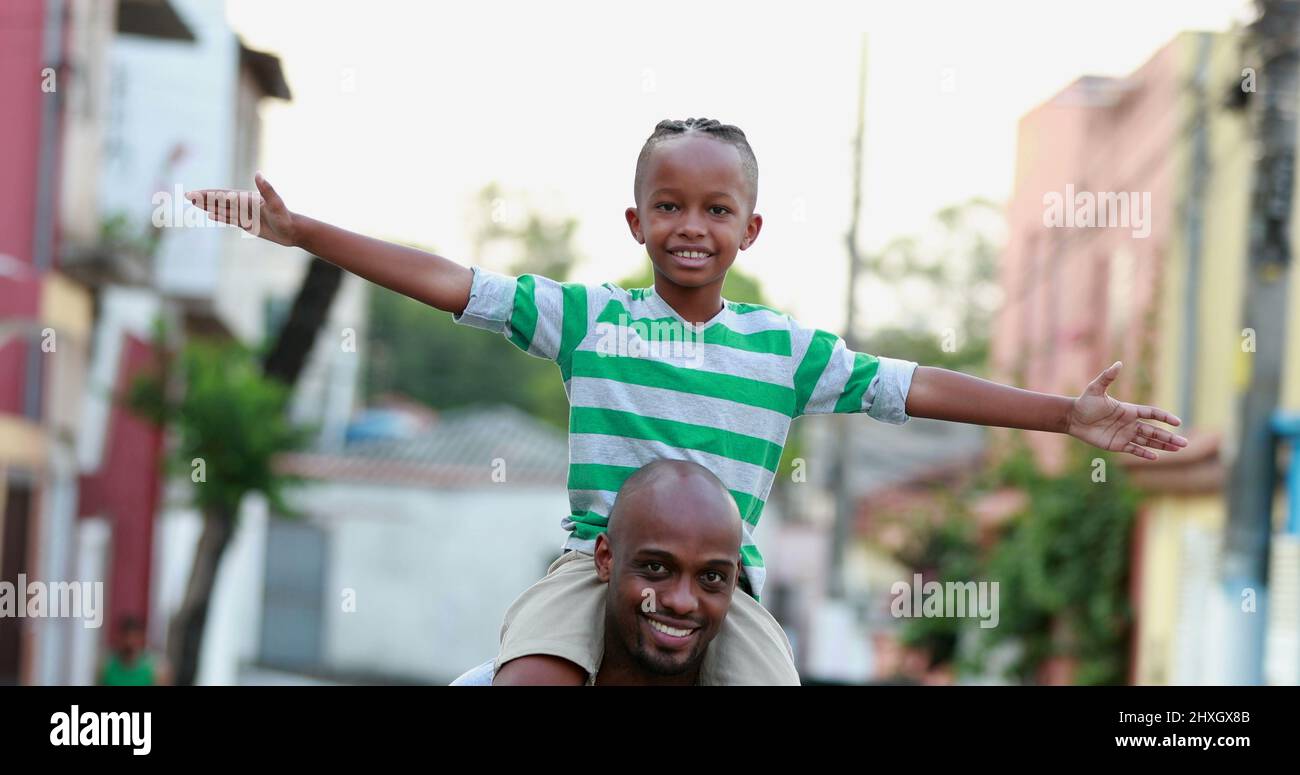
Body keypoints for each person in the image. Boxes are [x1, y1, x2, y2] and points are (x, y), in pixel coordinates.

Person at [188, 116, 1188, 686]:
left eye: (716, 210)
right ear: (636, 218)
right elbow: (452, 280)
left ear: (749, 227)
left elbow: (912, 386)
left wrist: (1060, 412)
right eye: (669, 206)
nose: (690, 227)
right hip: (595, 570)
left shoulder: (784, 351)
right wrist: (303, 230)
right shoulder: (589, 320)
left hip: (723, 592)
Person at [98, 616, 171, 686]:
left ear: (141, 638)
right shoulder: (106, 669)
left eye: (134, 637)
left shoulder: (154, 671)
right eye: (126, 637)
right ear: (119, 638)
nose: (129, 642)